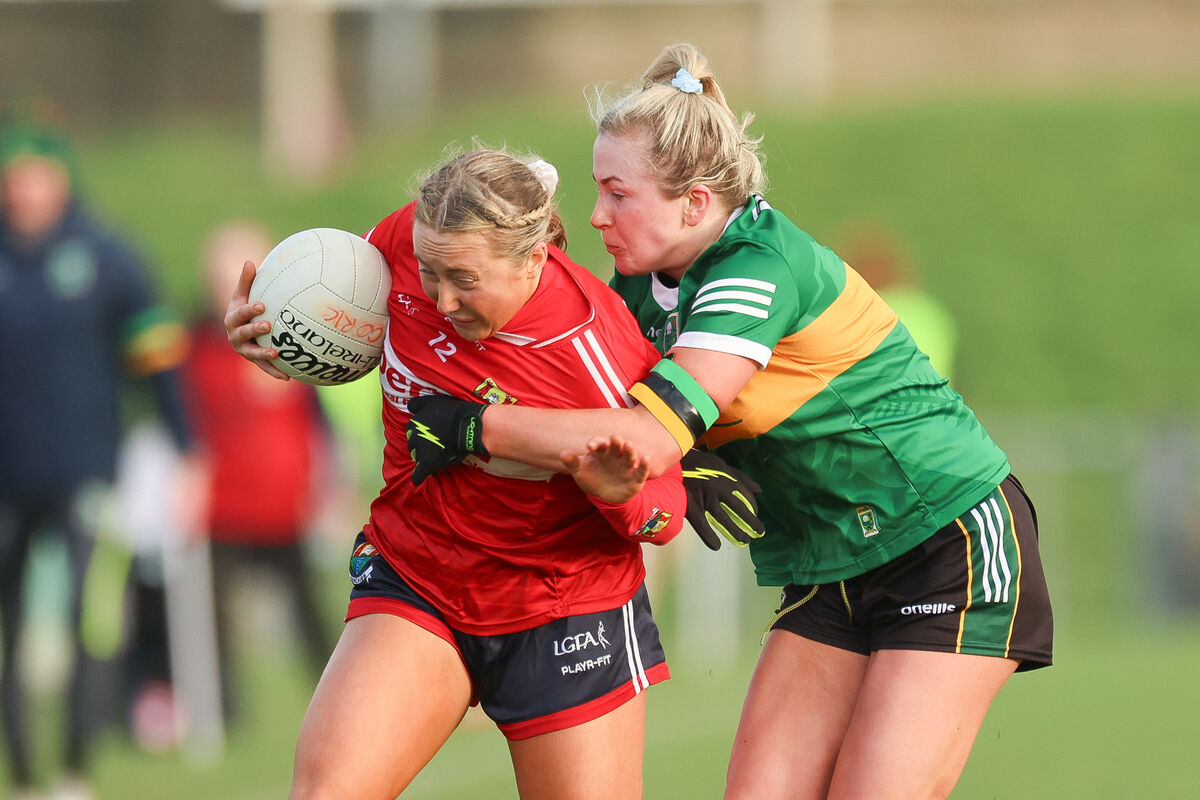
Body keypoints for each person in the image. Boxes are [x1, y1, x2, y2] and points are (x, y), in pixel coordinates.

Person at [405, 44, 1055, 800]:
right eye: (596, 190)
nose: (595, 216)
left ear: (695, 202)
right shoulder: (646, 285)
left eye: (618, 194)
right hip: (826, 562)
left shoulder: (755, 268)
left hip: (945, 540)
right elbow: (600, 406)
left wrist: (475, 429)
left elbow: (641, 440)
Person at [223, 148, 693, 800]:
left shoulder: (595, 347)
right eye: (427, 272)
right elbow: (335, 305)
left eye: (464, 280)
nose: (440, 299)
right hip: (419, 578)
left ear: (532, 261)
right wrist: (278, 340)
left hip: (560, 608)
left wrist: (624, 498)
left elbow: (668, 509)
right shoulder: (402, 242)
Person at [0, 114, 192, 800]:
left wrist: (186, 451)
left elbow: (159, 359)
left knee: (91, 615)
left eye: (35, 176)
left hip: (85, 473)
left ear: (60, 178)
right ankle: (20, 774)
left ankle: (76, 770)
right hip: (6, 480)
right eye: (12, 177)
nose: (23, 190)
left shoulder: (106, 254)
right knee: (11, 629)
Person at [180, 219, 338, 728]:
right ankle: (226, 715)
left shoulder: (296, 335)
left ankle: (338, 696)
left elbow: (318, 423)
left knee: (310, 613)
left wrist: (327, 487)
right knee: (218, 622)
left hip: (285, 504)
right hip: (222, 508)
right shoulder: (193, 343)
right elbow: (183, 425)